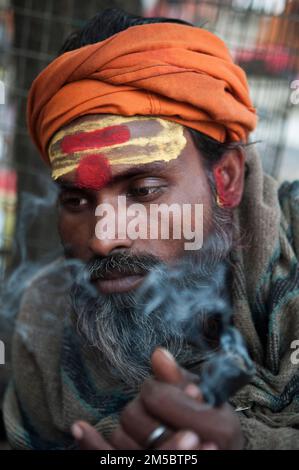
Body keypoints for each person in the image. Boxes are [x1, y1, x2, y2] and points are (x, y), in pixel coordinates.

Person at [3, 8, 299, 450]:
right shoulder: (44, 336)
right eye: (76, 201)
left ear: (228, 179)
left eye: (143, 190)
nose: (103, 238)